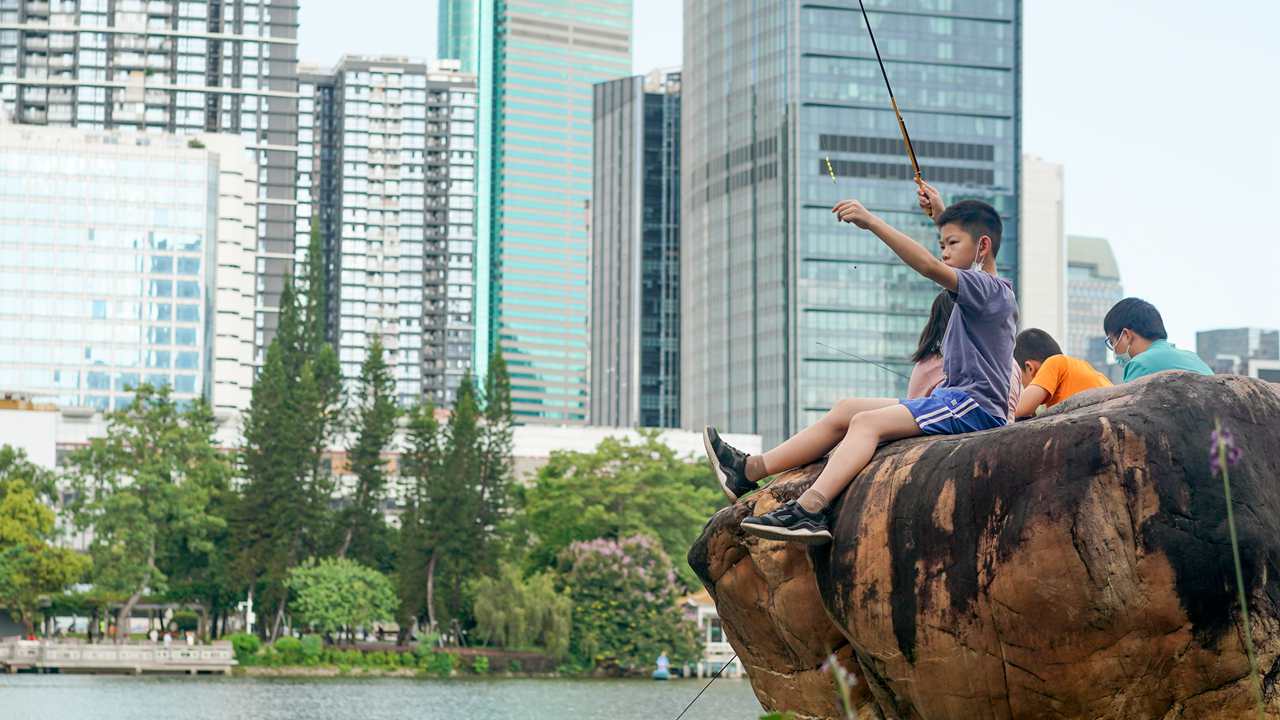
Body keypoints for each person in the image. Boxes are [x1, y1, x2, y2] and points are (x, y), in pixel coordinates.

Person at [701, 183, 1016, 544]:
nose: (943, 252)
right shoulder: (983, 287)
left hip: (973, 408)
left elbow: (928, 267)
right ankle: (747, 470)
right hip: (953, 401)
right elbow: (951, 256)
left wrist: (871, 222)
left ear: (983, 246)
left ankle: (809, 511)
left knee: (867, 423)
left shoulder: (990, 290)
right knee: (847, 409)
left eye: (951, 244)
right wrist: (941, 216)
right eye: (942, 243)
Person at [1103, 297, 1212, 381]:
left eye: (1112, 342)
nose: (1114, 349)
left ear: (1126, 335)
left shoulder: (1140, 364)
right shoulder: (1192, 357)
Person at [1012, 328, 1111, 419]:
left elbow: (1018, 410)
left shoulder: (1055, 362)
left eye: (1020, 379)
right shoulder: (1082, 368)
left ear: (1029, 368)